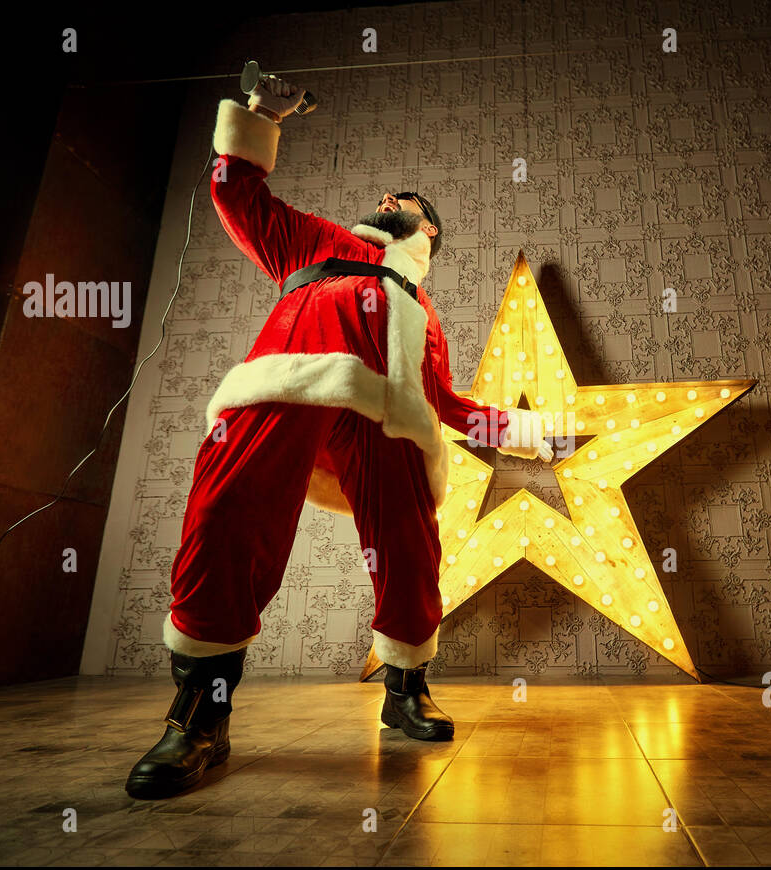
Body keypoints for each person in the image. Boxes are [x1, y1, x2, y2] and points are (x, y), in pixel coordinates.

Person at [125, 75, 552, 799]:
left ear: (430, 233)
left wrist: (537, 433)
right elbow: (238, 194)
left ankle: (405, 689)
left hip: (389, 421)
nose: (385, 203)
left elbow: (447, 404)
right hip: (285, 384)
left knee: (412, 546)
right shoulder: (311, 242)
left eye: (402, 203)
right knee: (225, 517)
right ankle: (200, 714)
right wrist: (261, 117)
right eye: (385, 199)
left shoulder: (425, 313)